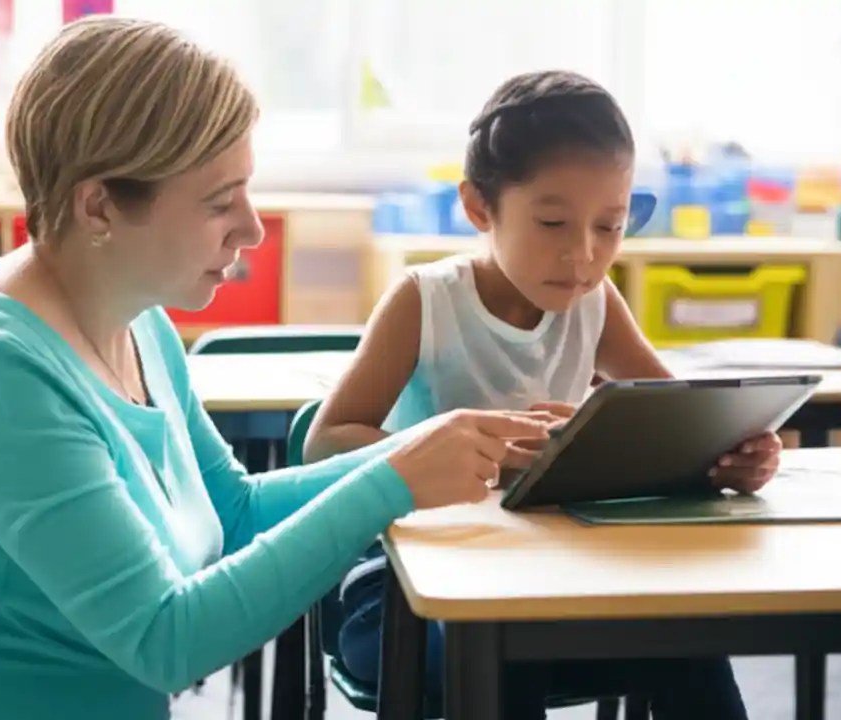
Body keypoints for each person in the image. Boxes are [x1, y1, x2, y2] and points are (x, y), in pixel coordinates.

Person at [0, 17, 555, 720]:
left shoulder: (135, 316)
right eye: (219, 201)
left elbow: (229, 515)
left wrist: (450, 444)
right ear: (99, 206)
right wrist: (392, 484)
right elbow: (166, 640)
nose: (253, 227)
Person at [304, 70, 784, 719]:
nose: (582, 256)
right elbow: (324, 443)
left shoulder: (595, 303)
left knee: (687, 642)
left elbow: (678, 420)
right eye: (553, 222)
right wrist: (481, 452)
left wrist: (736, 454)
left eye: (610, 226)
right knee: (505, 645)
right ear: (479, 208)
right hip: (401, 596)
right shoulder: (426, 302)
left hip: (555, 579)